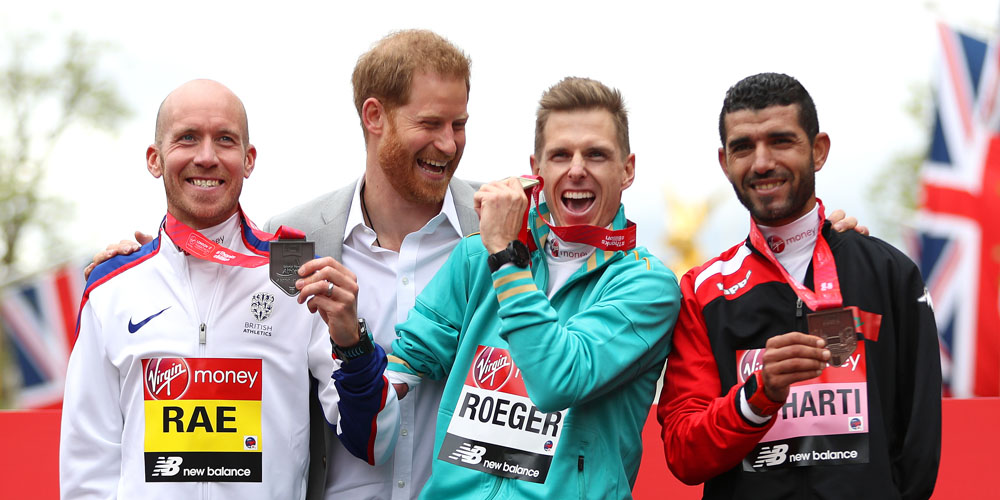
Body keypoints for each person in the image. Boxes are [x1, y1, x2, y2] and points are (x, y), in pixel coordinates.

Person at [341, 76, 681, 499]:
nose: (577, 169)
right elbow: (400, 373)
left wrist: (505, 256)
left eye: (596, 154)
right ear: (537, 169)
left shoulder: (647, 285)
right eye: (560, 155)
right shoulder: (475, 256)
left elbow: (558, 380)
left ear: (627, 170)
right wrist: (351, 342)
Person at [60, 79, 398, 499]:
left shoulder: (294, 272)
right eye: (187, 138)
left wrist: (354, 345)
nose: (206, 157)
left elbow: (376, 441)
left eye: (224, 139)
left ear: (248, 159)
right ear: (155, 159)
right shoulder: (112, 286)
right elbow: (87, 467)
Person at [656, 72, 941, 499]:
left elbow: (918, 447)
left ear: (818, 150)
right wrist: (757, 397)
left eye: (781, 141)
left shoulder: (889, 273)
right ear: (724, 162)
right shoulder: (702, 291)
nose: (762, 162)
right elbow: (684, 452)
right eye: (743, 147)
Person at [263, 30, 481, 500]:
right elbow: (248, 345)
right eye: (430, 123)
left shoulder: (499, 228)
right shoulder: (292, 238)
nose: (448, 145)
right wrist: (145, 263)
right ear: (374, 115)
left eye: (459, 124)